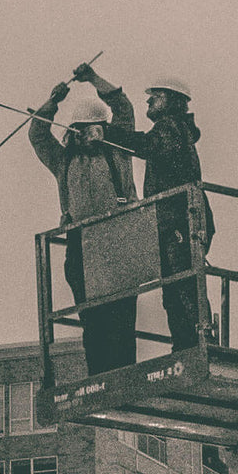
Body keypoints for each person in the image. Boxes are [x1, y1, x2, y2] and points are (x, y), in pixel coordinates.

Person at [72, 66, 214, 351]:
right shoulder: (176, 129)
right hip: (176, 220)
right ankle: (189, 344)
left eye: (156, 97)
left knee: (182, 288)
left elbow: (148, 145)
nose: (149, 102)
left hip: (179, 221)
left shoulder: (171, 127)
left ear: (172, 100)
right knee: (176, 289)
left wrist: (107, 132)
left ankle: (195, 344)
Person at [30, 79, 139, 373]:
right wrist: (53, 102)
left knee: (121, 319)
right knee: (92, 322)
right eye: (79, 128)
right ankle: (99, 377)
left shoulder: (118, 150)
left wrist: (93, 78)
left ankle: (124, 378)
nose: (85, 135)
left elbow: (124, 109)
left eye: (91, 128)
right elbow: (38, 134)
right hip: (82, 243)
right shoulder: (63, 160)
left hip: (118, 239)